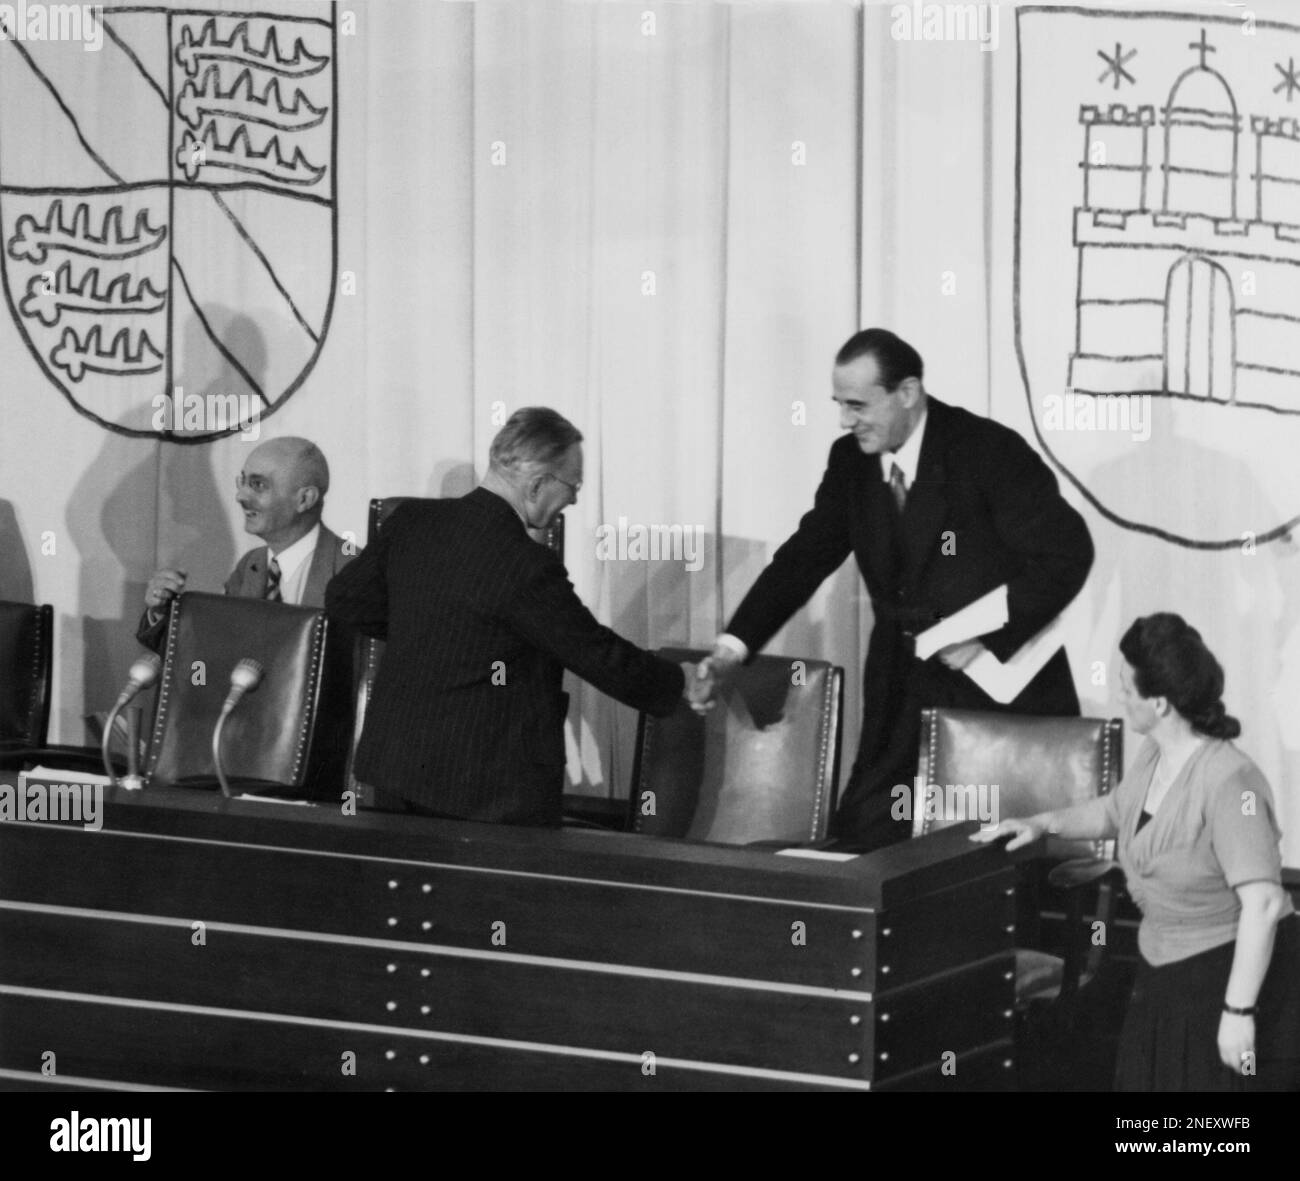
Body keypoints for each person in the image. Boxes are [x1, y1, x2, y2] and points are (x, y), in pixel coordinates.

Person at [697, 328, 1094, 850]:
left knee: (989, 857)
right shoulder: (850, 462)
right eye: (839, 404)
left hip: (997, 689)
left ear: (907, 393)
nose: (845, 420)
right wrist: (732, 648)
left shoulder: (987, 450)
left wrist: (988, 637)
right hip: (900, 683)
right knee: (865, 837)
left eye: (858, 404)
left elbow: (1067, 553)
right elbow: (803, 558)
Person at [324, 407, 701, 826]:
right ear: (538, 484)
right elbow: (595, 652)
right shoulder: (523, 564)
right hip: (484, 791)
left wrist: (429, 632)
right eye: (573, 485)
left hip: (393, 770)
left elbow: (345, 600)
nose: (574, 498)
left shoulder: (412, 521)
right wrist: (681, 682)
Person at [975, 613, 1299, 1091]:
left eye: (1126, 686)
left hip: (1227, 975)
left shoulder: (1232, 782)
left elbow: (1265, 904)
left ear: (1161, 703)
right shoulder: (1155, 753)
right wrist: (1041, 823)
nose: (1118, 694)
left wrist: (1238, 1011)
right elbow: (1115, 810)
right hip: (1166, 971)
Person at [136, 437, 354, 651]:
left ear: (305, 499)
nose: (240, 496)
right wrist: (161, 613)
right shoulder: (251, 565)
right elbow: (210, 651)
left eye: (258, 485)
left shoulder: (352, 570)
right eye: (242, 482)